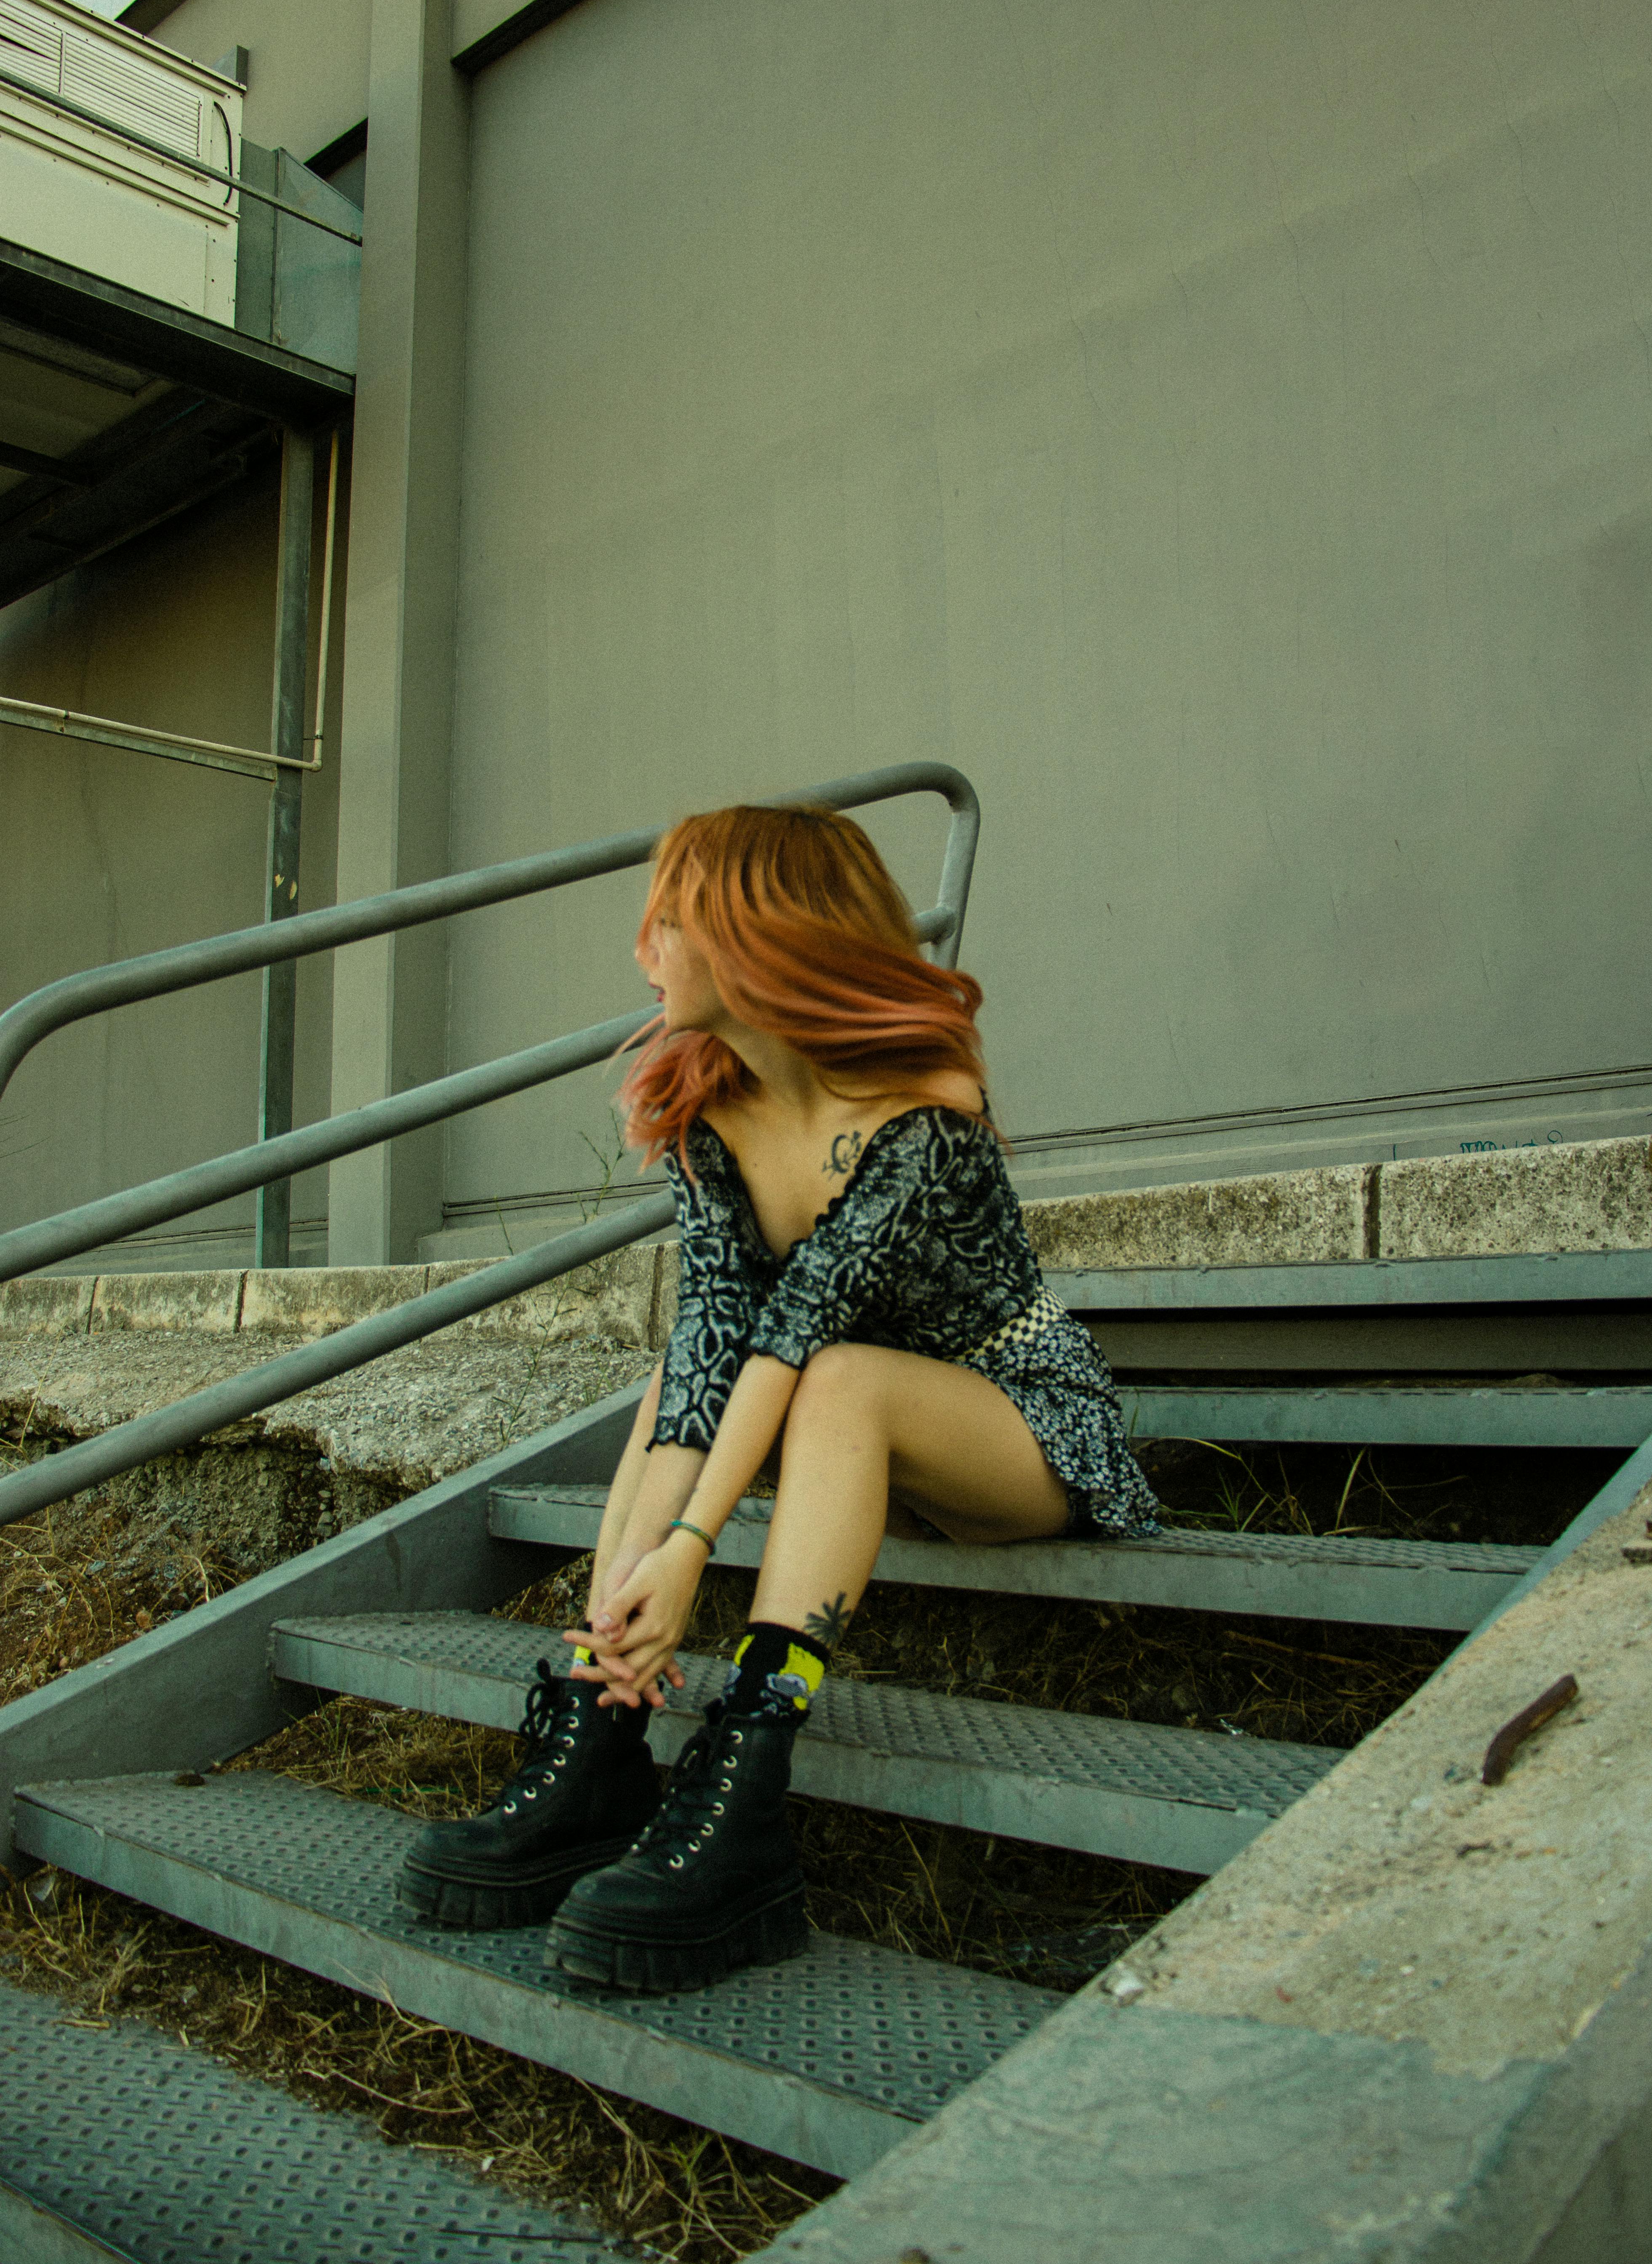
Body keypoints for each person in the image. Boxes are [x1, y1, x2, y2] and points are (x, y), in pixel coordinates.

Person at [399, 804, 1160, 1989]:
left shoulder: (924, 1108)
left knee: (839, 1372)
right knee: (679, 1368)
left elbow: (803, 1338)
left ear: (756, 938)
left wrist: (695, 1547)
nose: (643, 944)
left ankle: (747, 1778)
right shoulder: (714, 1116)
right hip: (844, 1450)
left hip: (1020, 1427)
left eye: (670, 919)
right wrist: (630, 1602)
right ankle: (603, 1723)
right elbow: (713, 1349)